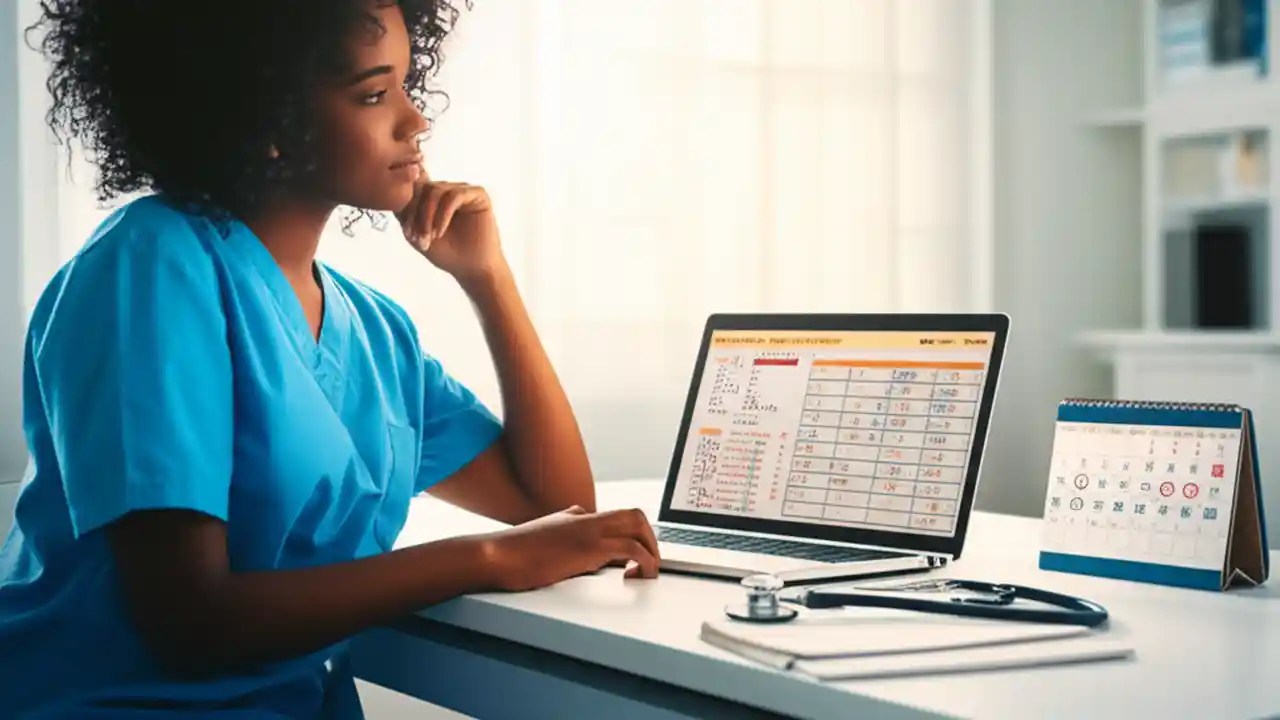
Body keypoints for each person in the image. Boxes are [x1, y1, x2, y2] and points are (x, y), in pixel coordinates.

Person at [0, 1, 661, 716]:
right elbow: (189, 620)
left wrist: (488, 280)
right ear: (268, 117)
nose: (416, 121)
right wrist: (485, 559)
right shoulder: (150, 266)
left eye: (409, 84)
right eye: (375, 95)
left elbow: (554, 508)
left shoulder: (375, 329)